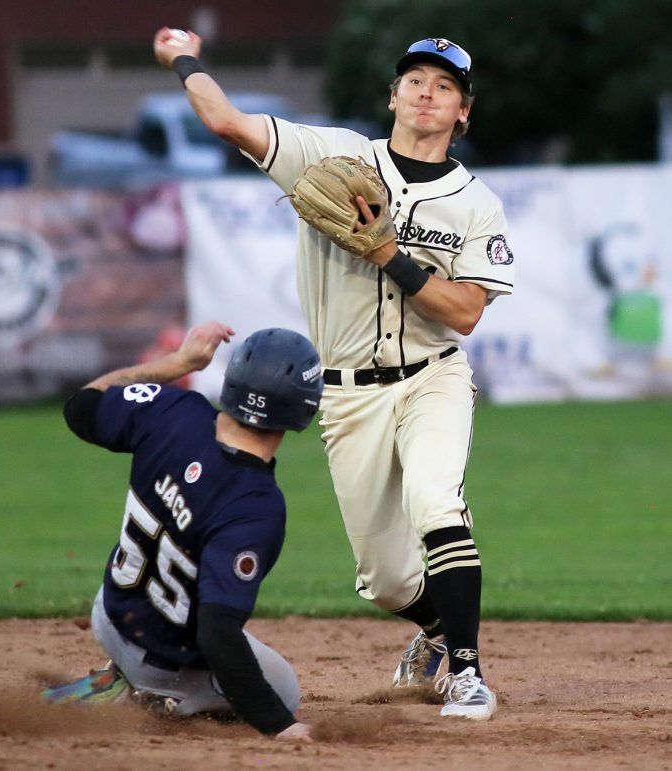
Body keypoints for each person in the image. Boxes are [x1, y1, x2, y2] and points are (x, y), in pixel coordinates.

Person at [153, 30, 514, 720]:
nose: (428, 93)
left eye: (445, 87)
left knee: (438, 503)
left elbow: (466, 311)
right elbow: (224, 120)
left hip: (432, 376)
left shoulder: (476, 204)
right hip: (350, 395)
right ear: (393, 95)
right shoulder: (333, 156)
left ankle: (467, 672)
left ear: (463, 111)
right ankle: (437, 630)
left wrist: (389, 253)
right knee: (383, 580)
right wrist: (183, 57)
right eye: (416, 80)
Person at [42, 321, 324, 742]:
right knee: (284, 689)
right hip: (160, 661)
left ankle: (120, 673)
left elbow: (81, 407)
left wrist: (179, 363)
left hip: (110, 613)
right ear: (303, 410)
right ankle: (145, 695)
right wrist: (282, 726)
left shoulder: (174, 412)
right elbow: (217, 634)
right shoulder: (255, 505)